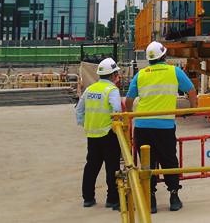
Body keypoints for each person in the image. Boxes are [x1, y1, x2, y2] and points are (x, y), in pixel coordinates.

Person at [125, 41, 198, 214]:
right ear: (164, 56)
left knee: (147, 163)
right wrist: (193, 109)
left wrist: (131, 115)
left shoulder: (140, 75)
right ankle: (174, 196)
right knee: (169, 160)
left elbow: (128, 100)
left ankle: (150, 199)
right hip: (165, 126)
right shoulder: (174, 71)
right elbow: (192, 91)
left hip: (142, 125)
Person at [76, 57, 123, 210]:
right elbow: (117, 110)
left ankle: (88, 198)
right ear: (113, 75)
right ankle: (112, 199)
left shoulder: (90, 89)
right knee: (112, 167)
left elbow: (79, 111)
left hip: (92, 135)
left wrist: (87, 125)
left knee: (92, 166)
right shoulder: (112, 90)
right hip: (109, 133)